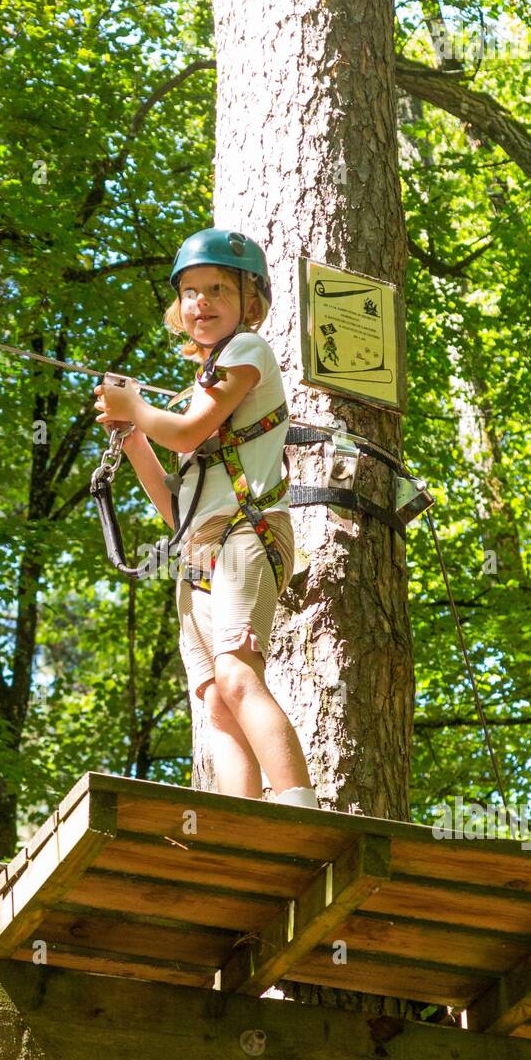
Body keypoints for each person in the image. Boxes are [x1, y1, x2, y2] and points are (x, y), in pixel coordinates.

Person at [94, 227, 319, 808]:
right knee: (216, 698)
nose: (202, 302)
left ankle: (298, 807)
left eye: (217, 288)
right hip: (199, 550)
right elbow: (177, 507)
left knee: (239, 676)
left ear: (250, 302)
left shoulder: (246, 352)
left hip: (249, 532)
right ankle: (237, 820)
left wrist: (138, 408)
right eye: (190, 291)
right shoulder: (198, 389)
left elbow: (192, 430)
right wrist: (135, 434)